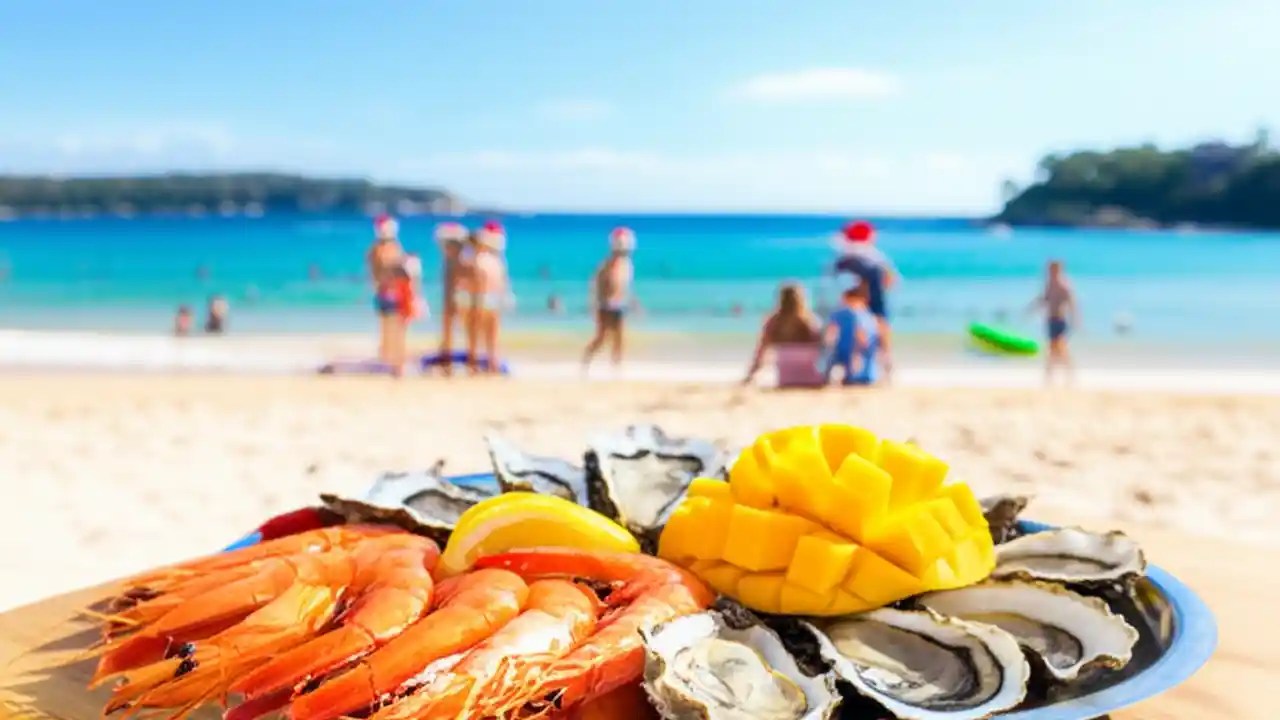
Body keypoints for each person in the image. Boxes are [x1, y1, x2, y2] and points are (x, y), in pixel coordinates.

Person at [832, 220, 897, 378]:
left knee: (846, 335)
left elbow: (837, 283)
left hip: (850, 302)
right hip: (875, 301)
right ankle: (886, 371)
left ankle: (844, 369)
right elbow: (891, 280)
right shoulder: (875, 256)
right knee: (882, 337)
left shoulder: (844, 257)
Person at [743, 283, 822, 385]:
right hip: (810, 373)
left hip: (786, 374)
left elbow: (761, 350)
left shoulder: (774, 320)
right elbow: (821, 346)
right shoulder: (810, 320)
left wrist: (751, 375)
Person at [582, 227, 636, 372]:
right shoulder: (609, 263)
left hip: (619, 304)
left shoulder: (626, 264)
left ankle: (616, 366)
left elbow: (624, 286)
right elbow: (598, 281)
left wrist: (631, 301)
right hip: (606, 304)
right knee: (602, 337)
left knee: (620, 338)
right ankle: (587, 361)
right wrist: (596, 302)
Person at [466, 220, 511, 374]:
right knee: (493, 336)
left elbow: (478, 284)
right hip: (495, 299)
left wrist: (475, 304)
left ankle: (473, 366)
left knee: (474, 335)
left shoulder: (479, 260)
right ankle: (493, 365)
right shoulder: (498, 261)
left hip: (482, 299)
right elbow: (503, 284)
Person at [366, 214, 408, 376]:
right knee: (397, 328)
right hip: (391, 291)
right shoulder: (390, 248)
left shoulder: (375, 249)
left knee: (388, 327)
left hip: (382, 291)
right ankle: (396, 364)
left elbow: (374, 271)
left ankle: (388, 360)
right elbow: (392, 269)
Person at [1029, 259, 1079, 385]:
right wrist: (1032, 307)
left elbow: (1071, 302)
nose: (1050, 272)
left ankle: (1067, 374)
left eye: (1052, 269)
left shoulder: (1063, 285)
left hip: (1060, 320)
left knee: (1060, 348)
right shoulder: (1049, 284)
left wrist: (1075, 318)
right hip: (1051, 320)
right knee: (1053, 348)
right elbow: (1044, 299)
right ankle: (1051, 376)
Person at [822, 280, 880, 386]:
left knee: (834, 358)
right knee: (862, 374)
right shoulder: (869, 316)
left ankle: (831, 377)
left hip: (848, 352)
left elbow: (830, 337)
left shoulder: (841, 314)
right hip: (862, 355)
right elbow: (867, 339)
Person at [435, 222, 471, 375]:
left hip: (454, 297)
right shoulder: (457, 259)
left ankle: (448, 361)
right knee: (456, 329)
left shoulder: (452, 260)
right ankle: (449, 361)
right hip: (456, 296)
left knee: (451, 329)